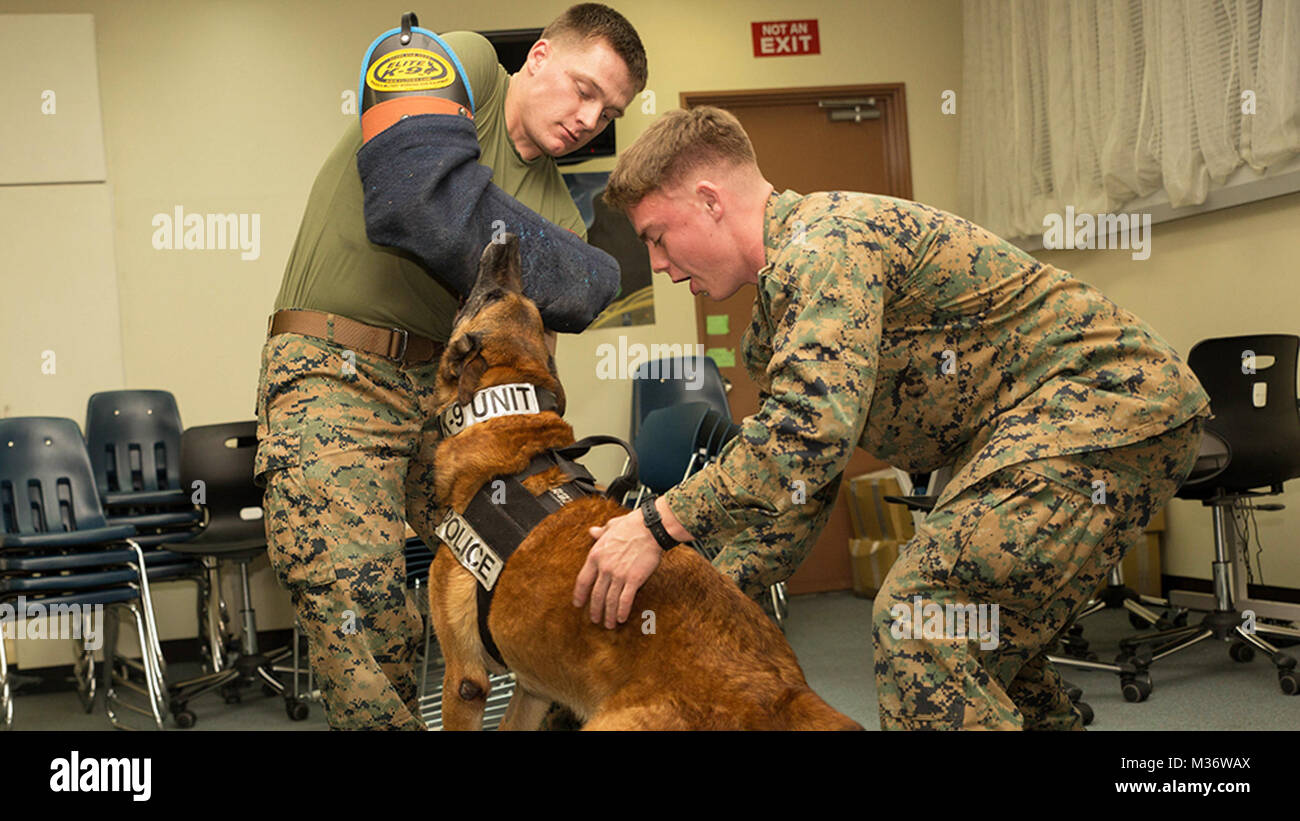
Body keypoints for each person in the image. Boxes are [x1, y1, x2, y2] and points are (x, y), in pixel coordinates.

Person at [576, 106, 1211, 730]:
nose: (657, 263)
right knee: (981, 650)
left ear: (711, 201)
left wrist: (656, 525)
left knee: (923, 620)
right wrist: (707, 590)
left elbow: (808, 432)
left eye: (657, 236)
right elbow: (802, 485)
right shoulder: (772, 325)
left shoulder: (827, 243)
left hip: (1106, 405)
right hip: (1050, 429)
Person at [255, 4, 645, 730]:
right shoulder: (466, 64)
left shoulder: (557, 204)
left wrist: (574, 270)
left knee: (539, 567)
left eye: (610, 110)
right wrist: (577, 271)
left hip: (446, 397)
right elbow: (415, 200)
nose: (590, 118)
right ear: (537, 59)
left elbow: (529, 357)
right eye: (584, 88)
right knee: (362, 599)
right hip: (335, 370)